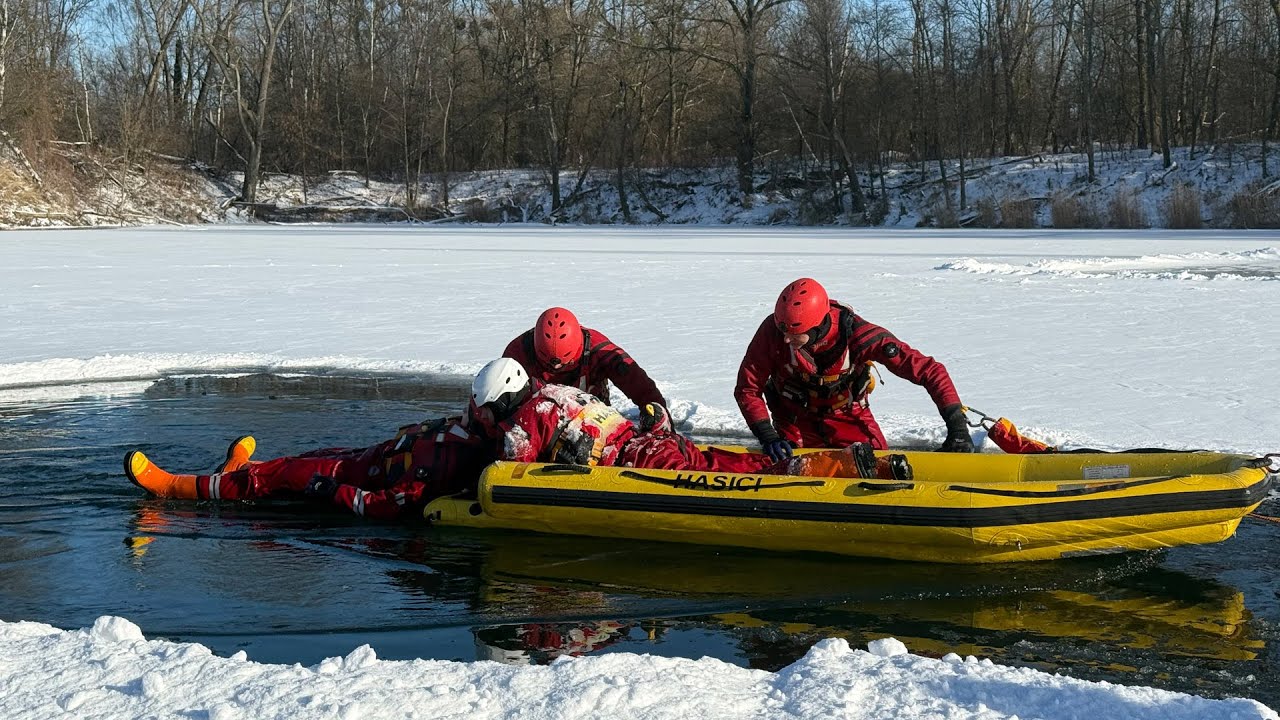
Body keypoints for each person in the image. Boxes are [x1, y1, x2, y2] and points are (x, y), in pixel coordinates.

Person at [466, 357, 910, 479]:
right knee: (731, 463)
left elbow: (510, 464)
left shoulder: (530, 417)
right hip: (651, 443)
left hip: (640, 462)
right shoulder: (560, 394)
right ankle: (855, 461)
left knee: (750, 473)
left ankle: (841, 466)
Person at [735, 278, 974, 462]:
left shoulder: (861, 336)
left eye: (795, 335)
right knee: (790, 466)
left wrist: (957, 427)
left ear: (818, 328)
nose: (786, 340)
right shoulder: (772, 331)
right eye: (783, 331)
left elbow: (930, 371)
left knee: (878, 467)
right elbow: (748, 387)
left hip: (847, 415)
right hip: (794, 418)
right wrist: (768, 435)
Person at [125, 417, 492, 520]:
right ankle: (239, 466)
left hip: (354, 477)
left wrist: (333, 492)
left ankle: (173, 486)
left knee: (284, 476)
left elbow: (383, 505)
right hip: (367, 458)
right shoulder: (468, 434)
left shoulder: (443, 469)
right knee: (300, 459)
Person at [503, 307, 666, 410]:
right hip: (537, 421)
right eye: (550, 365)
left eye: (564, 363)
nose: (556, 369)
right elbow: (498, 402)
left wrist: (658, 413)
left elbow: (639, 384)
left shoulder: (601, 351)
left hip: (593, 418)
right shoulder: (517, 354)